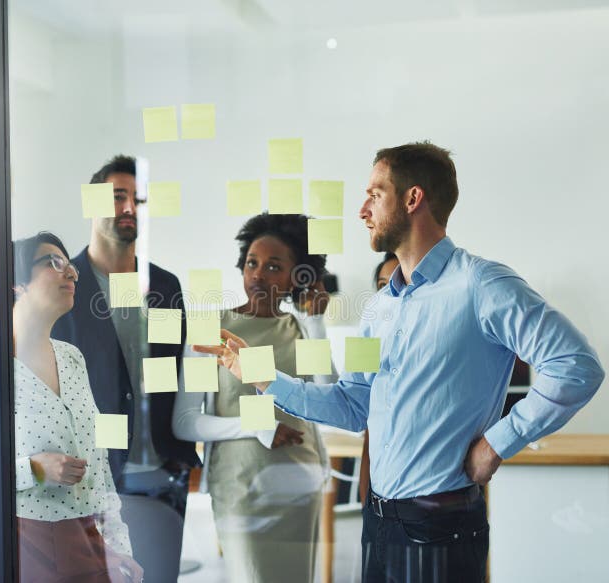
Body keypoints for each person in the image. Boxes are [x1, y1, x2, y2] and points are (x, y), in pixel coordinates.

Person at [196, 142, 605, 583]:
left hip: (439, 524)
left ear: (413, 199)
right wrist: (259, 375)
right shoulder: (378, 309)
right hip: (379, 522)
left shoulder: (482, 284)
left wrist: (498, 442)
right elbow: (352, 406)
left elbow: (576, 365)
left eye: (375, 194)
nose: (362, 210)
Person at [0, 232, 142, 583]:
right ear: (16, 285)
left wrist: (119, 547)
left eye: (70, 266)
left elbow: (97, 462)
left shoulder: (72, 359)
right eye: (53, 263)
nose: (71, 273)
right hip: (9, 541)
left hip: (82, 538)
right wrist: (32, 471)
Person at [51, 155, 199, 583]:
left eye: (139, 199)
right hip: (90, 479)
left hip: (160, 476)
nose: (130, 208)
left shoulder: (164, 286)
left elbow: (173, 373)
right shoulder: (65, 287)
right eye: (118, 197)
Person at [173, 213, 336, 583]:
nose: (258, 274)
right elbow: (184, 423)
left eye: (274, 266)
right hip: (240, 490)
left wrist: (315, 322)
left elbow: (330, 401)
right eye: (252, 263)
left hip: (301, 484)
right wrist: (258, 426)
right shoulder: (210, 332)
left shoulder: (301, 330)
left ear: (299, 276)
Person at [358, 252, 398, 504]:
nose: (389, 292)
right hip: (374, 446)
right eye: (382, 285)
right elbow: (351, 393)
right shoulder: (368, 330)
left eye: (396, 281)